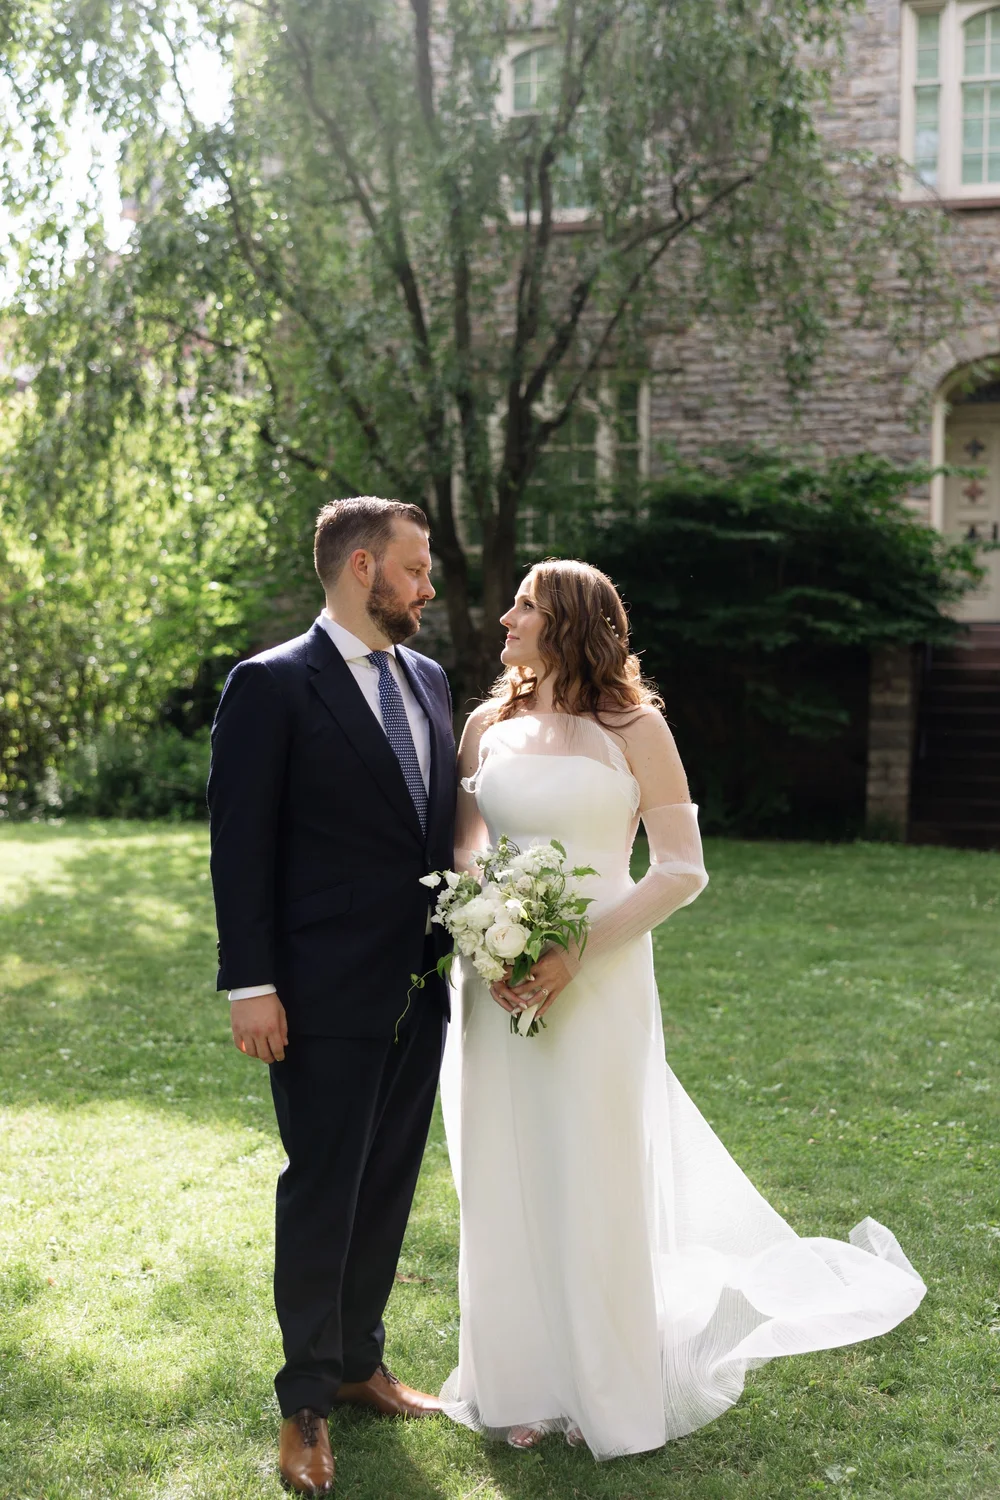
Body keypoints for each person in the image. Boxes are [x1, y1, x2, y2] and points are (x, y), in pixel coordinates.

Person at [439, 558, 926, 1460]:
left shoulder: (637, 727)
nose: (505, 618)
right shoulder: (485, 725)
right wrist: (488, 938)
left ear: (569, 621)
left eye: (524, 605)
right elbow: (466, 848)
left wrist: (572, 951)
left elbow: (679, 869)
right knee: (502, 1168)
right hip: (494, 978)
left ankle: (604, 1388)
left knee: (593, 1168)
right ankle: (517, 1382)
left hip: (600, 972)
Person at [207, 497, 456, 1496]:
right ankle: (305, 1400)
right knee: (323, 1189)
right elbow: (240, 844)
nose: (427, 586)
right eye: (415, 568)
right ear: (363, 568)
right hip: (316, 992)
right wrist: (251, 984)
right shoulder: (272, 684)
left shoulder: (430, 680)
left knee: (387, 1181)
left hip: (421, 985)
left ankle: (358, 1363)